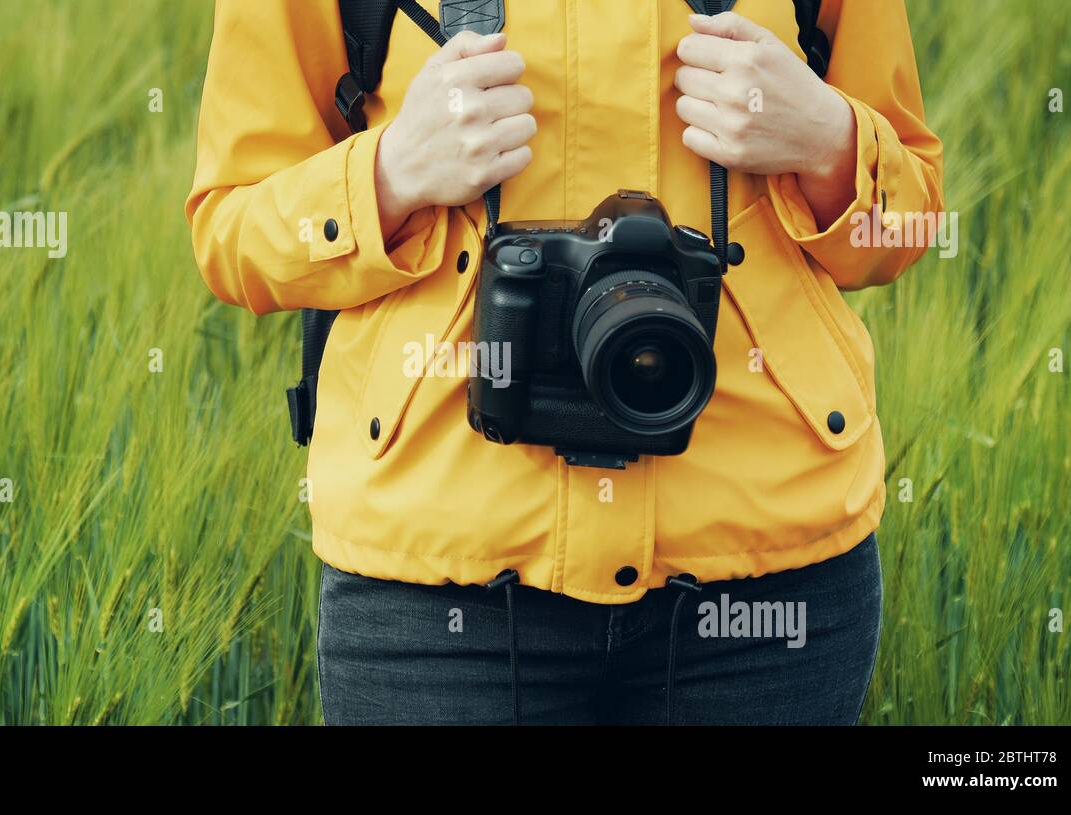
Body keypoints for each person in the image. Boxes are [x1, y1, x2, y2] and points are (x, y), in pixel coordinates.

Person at [187, 0, 943, 725]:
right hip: (437, 606)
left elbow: (909, 216)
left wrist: (829, 144)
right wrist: (386, 178)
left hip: (768, 588)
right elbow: (231, 227)